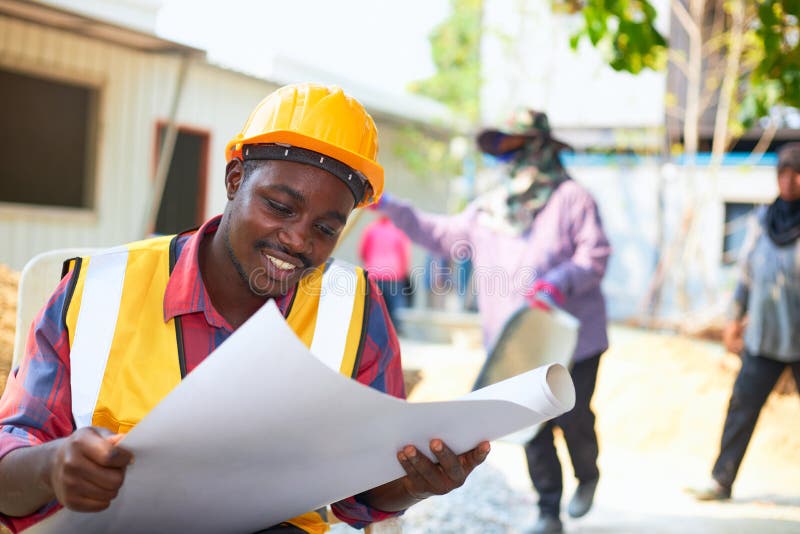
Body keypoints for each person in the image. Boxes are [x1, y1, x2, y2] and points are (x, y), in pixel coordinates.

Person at [0, 83, 491, 534]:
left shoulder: (355, 311)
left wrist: (420, 481)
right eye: (280, 206)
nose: (297, 239)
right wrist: (53, 466)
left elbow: (363, 493)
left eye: (325, 228)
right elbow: (9, 465)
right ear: (235, 179)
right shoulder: (99, 291)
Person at [376, 110, 611, 534]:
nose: (512, 160)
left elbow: (593, 255)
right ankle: (548, 512)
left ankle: (587, 473)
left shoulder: (572, 198)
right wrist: (390, 205)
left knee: (573, 418)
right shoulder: (489, 208)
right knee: (531, 426)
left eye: (518, 148)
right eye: (506, 151)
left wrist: (557, 283)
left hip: (573, 338)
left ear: (539, 147)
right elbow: (441, 234)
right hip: (517, 343)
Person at [689, 142, 800, 502]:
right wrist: (734, 320)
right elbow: (746, 277)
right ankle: (722, 480)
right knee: (742, 407)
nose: (790, 181)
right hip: (765, 337)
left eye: (796, 173)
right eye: (783, 173)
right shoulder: (763, 221)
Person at [358, 214, 412, 329]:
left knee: (373, 310)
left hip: (374, 274)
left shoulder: (371, 229)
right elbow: (404, 254)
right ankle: (397, 336)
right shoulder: (399, 230)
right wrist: (405, 272)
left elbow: (362, 252)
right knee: (396, 312)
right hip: (394, 275)